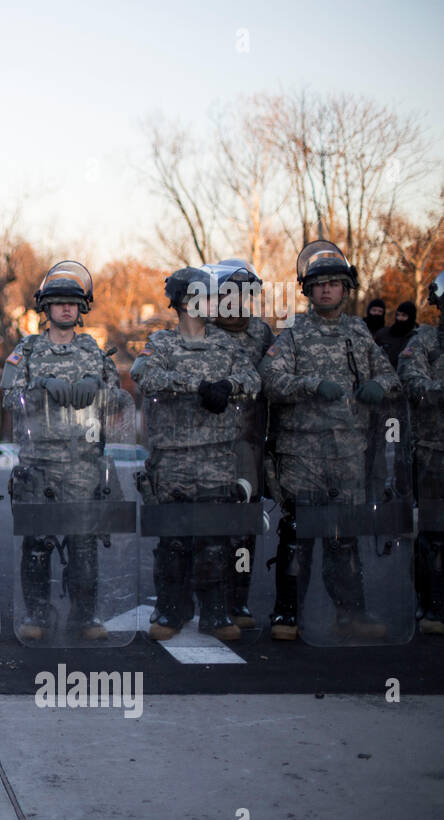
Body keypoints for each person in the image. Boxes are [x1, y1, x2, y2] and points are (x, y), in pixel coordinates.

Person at [259, 240, 400, 641]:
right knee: (298, 534)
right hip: (302, 455)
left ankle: (350, 613)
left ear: (345, 289)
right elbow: (269, 380)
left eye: (334, 284)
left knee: (344, 537)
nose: (326, 290)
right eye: (318, 284)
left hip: (349, 454)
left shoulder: (358, 332)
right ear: (307, 289)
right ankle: (287, 614)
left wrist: (377, 385)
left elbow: (391, 379)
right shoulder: (294, 334)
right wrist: (309, 385)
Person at [131, 267, 261, 641]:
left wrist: (227, 385)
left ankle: (216, 612)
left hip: (216, 458)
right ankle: (171, 609)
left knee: (213, 538)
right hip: (172, 459)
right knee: (173, 539)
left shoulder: (226, 345)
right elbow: (144, 375)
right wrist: (197, 386)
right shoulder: (160, 344)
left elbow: (253, 380)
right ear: (185, 302)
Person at [0, 261, 123, 641]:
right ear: (46, 309)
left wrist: (97, 387)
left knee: (84, 545)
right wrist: (41, 386)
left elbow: (116, 395)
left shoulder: (93, 351)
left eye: (73, 303)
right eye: (58, 303)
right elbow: (7, 396)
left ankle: (84, 617)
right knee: (37, 542)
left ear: (81, 308)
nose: (66, 309)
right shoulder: (28, 350)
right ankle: (36, 615)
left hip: (83, 461)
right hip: (39, 461)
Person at [205, 258, 274, 628]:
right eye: (228, 291)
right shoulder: (200, 331)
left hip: (247, 440)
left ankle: (238, 600)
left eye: (243, 292)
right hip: (204, 444)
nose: (236, 298)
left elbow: (275, 382)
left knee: (245, 525)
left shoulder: (263, 334)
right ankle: (207, 601)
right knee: (208, 525)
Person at [395, 272, 444, 634]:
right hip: (433, 451)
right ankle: (431, 605)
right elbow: (412, 382)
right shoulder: (424, 340)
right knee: (432, 533)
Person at [373, 301, 417, 369]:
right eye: (398, 315)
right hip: (383, 374)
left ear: (411, 317)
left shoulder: (416, 337)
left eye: (404, 315)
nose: (399, 318)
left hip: (406, 375)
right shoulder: (383, 334)